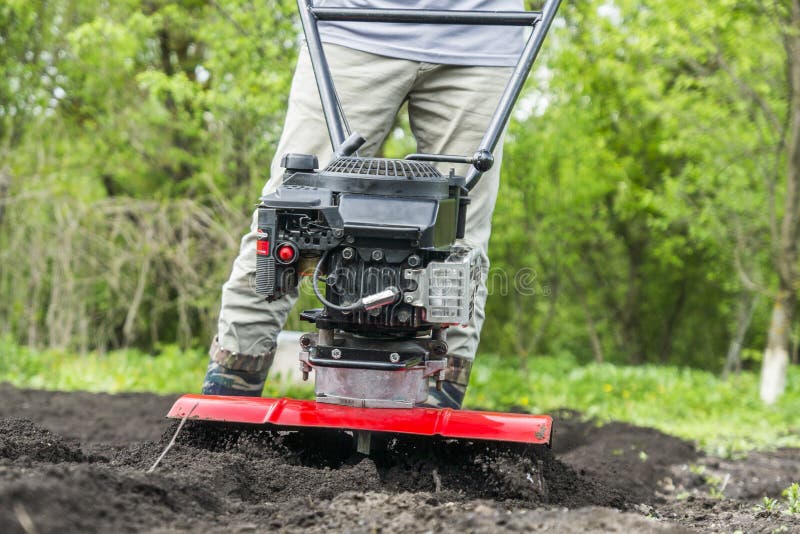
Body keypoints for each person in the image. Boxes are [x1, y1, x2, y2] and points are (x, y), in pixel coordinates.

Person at [202, 0, 525, 408]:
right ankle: (226, 401)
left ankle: (433, 418)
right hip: (349, 26)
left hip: (484, 35)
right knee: (286, 220)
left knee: (459, 244)